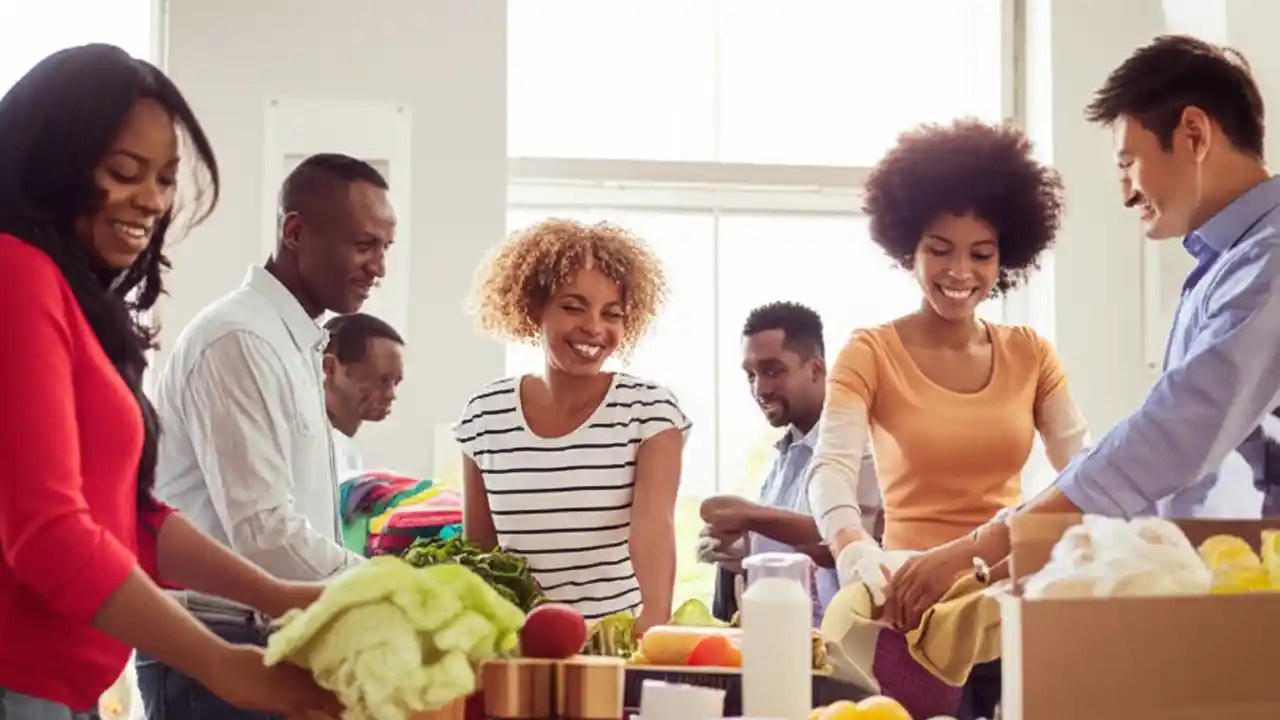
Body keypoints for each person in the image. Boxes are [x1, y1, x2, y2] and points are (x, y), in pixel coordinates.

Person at [885, 34, 1280, 638]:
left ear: (1194, 135)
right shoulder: (1221, 270)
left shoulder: (1268, 262)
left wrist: (987, 546)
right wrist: (1020, 553)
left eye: (1128, 161)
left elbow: (1174, 432)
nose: (1125, 192)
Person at [0, 44, 339, 718]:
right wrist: (222, 664)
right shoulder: (15, 273)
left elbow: (135, 518)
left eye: (164, 179)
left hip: (57, 690)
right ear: (49, 163)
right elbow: (48, 536)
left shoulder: (72, 299)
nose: (152, 201)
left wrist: (286, 597)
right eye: (125, 172)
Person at [805, 119, 1090, 719]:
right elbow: (829, 470)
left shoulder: (1031, 354)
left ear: (1005, 256)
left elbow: (1085, 468)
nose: (960, 271)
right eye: (939, 249)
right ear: (908, 245)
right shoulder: (871, 352)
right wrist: (854, 547)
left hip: (1006, 593)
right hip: (906, 599)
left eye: (980, 254)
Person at [145, 153, 396, 718]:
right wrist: (390, 586)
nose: (378, 267)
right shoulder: (240, 339)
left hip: (266, 635)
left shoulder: (294, 341)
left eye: (385, 248)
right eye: (364, 245)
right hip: (217, 644)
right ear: (295, 232)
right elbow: (263, 531)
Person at [456, 218, 689, 634]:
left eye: (612, 314)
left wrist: (654, 622)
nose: (595, 327)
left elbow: (655, 526)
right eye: (573, 306)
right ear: (533, 307)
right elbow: (482, 553)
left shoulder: (649, 410)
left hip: (614, 647)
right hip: (519, 646)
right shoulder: (484, 415)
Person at [697, 302, 882, 625]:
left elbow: (855, 546)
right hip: (788, 644)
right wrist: (735, 550)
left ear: (815, 369)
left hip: (844, 654)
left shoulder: (862, 448)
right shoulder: (783, 457)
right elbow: (790, 555)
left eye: (773, 371)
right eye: (751, 375)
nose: (760, 389)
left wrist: (751, 516)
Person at [322, 312, 406, 476]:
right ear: (330, 368)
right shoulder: (301, 446)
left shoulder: (349, 454)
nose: (391, 395)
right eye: (382, 380)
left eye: (396, 382)